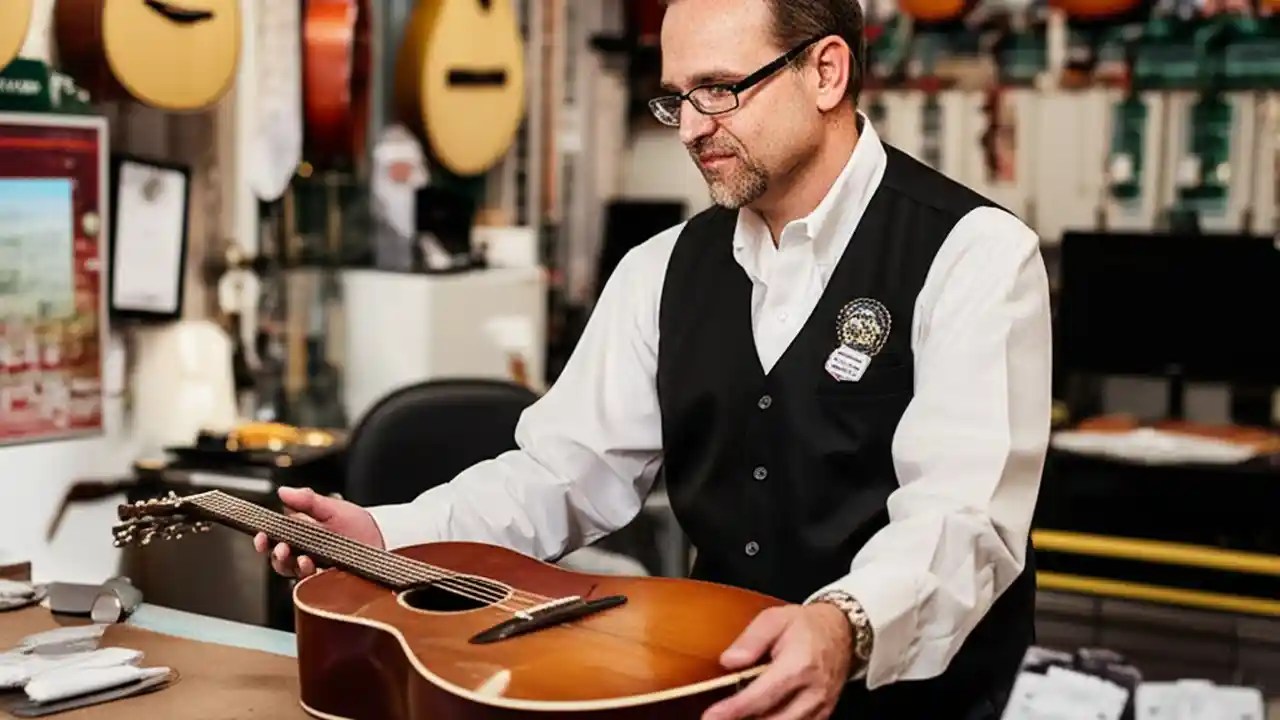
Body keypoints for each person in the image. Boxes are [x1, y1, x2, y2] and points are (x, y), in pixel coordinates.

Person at [255, 0, 1053, 717]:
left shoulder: (974, 255)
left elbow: (964, 518)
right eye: (676, 97)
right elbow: (560, 475)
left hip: (914, 699)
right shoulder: (661, 268)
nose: (693, 127)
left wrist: (845, 623)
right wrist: (386, 536)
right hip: (715, 685)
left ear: (826, 71)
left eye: (720, 89)